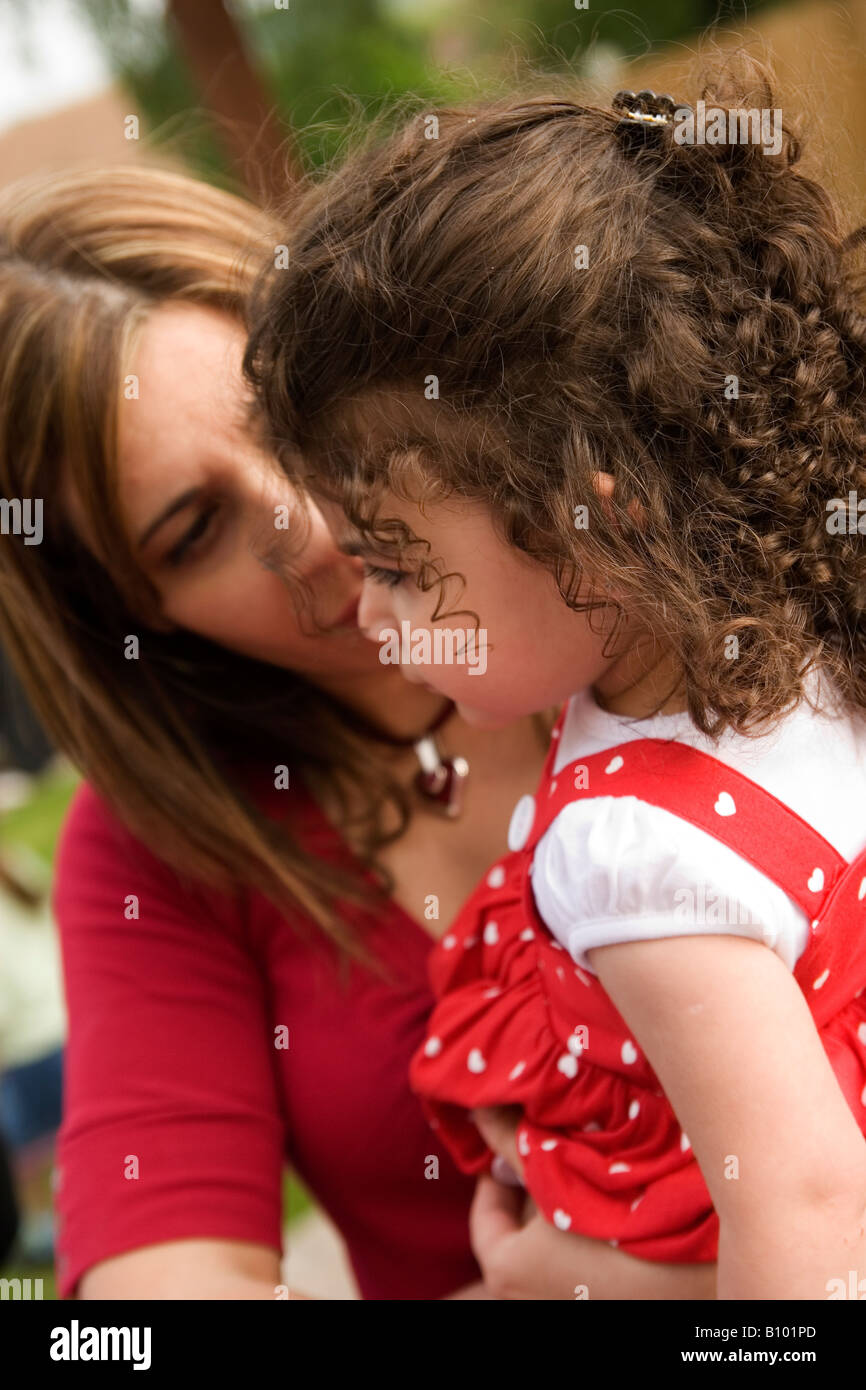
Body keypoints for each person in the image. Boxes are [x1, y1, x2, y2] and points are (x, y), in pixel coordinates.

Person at [0, 164, 713, 1299]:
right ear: (131, 611)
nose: (314, 530)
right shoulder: (157, 845)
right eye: (198, 531)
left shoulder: (672, 554)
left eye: (288, 412)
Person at [244, 54, 866, 1298]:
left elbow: (808, 1226)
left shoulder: (630, 846)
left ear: (601, 524)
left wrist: (571, 1282)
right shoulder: (796, 625)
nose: (365, 612)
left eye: (398, 565)